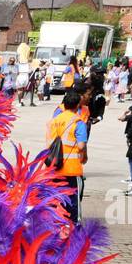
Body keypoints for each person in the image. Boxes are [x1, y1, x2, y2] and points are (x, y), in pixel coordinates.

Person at [46, 91, 88, 222]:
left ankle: (56, 225)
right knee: (73, 201)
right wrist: (85, 156)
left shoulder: (53, 121)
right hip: (72, 169)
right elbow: (81, 146)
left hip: (54, 167)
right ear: (77, 106)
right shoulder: (78, 122)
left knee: (56, 199)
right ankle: (74, 227)